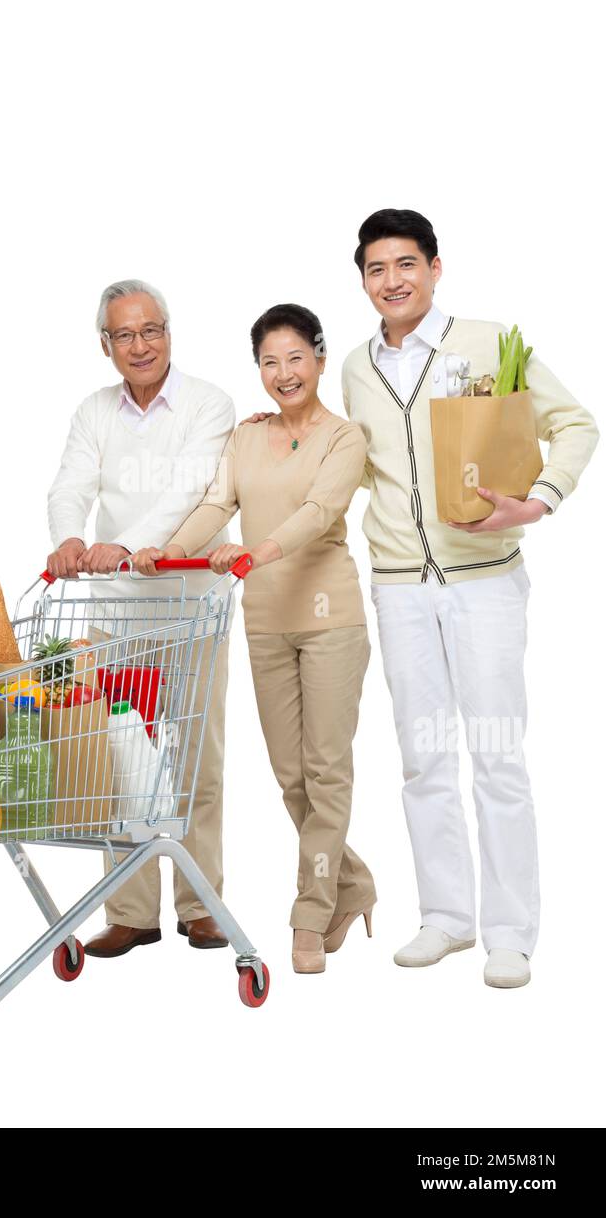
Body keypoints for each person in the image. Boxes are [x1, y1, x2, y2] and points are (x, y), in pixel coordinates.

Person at [340, 208, 599, 988]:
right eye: (377, 269)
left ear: (435, 267)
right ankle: (446, 918)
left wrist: (539, 500)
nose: (393, 280)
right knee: (423, 758)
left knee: (496, 755)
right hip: (399, 588)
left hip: (485, 583)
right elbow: (353, 462)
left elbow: (576, 423)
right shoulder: (355, 367)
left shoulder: (488, 342)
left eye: (406, 264)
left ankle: (511, 933)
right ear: (363, 280)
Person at [133, 304, 376, 975]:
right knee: (292, 776)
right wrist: (171, 546)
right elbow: (218, 502)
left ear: (319, 359)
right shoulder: (246, 438)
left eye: (296, 357)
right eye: (270, 362)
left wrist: (256, 552)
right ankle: (353, 884)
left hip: (330, 619)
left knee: (326, 771)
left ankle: (310, 911)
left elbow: (320, 511)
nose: (284, 373)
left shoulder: (344, 437)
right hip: (265, 620)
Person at [47, 279, 236, 956]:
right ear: (106, 345)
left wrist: (127, 546)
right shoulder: (94, 411)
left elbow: (190, 488)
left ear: (170, 333)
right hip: (115, 615)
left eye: (150, 330)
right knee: (118, 762)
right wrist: (71, 536)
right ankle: (130, 912)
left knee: (194, 761)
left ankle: (203, 905)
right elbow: (70, 482)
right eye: (124, 334)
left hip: (189, 610)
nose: (140, 345)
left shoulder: (209, 404)